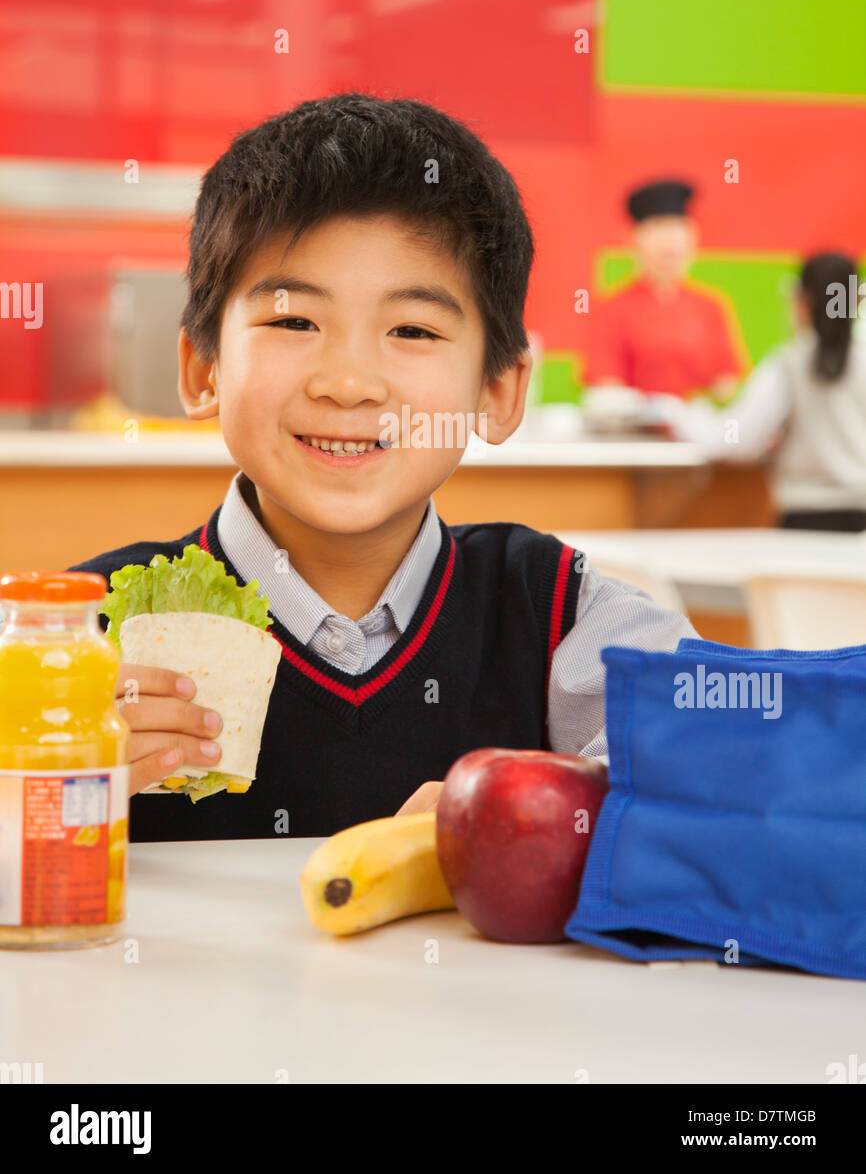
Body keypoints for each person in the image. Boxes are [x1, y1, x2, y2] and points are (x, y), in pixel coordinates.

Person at [69, 93, 698, 841]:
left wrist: (553, 803)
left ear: (498, 391)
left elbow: (712, 781)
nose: (349, 382)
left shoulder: (563, 616)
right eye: (294, 320)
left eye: (412, 329)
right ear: (203, 366)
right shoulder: (77, 637)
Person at [657, 251, 866, 532]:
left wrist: (679, 415)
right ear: (856, 301)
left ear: (802, 301)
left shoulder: (788, 364)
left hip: (806, 522)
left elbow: (735, 441)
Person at [584, 178, 746, 401]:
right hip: (639, 432)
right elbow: (605, 384)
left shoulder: (710, 306)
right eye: (658, 228)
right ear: (633, 238)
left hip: (699, 430)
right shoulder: (613, 310)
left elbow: (728, 381)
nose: (669, 241)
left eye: (677, 228)